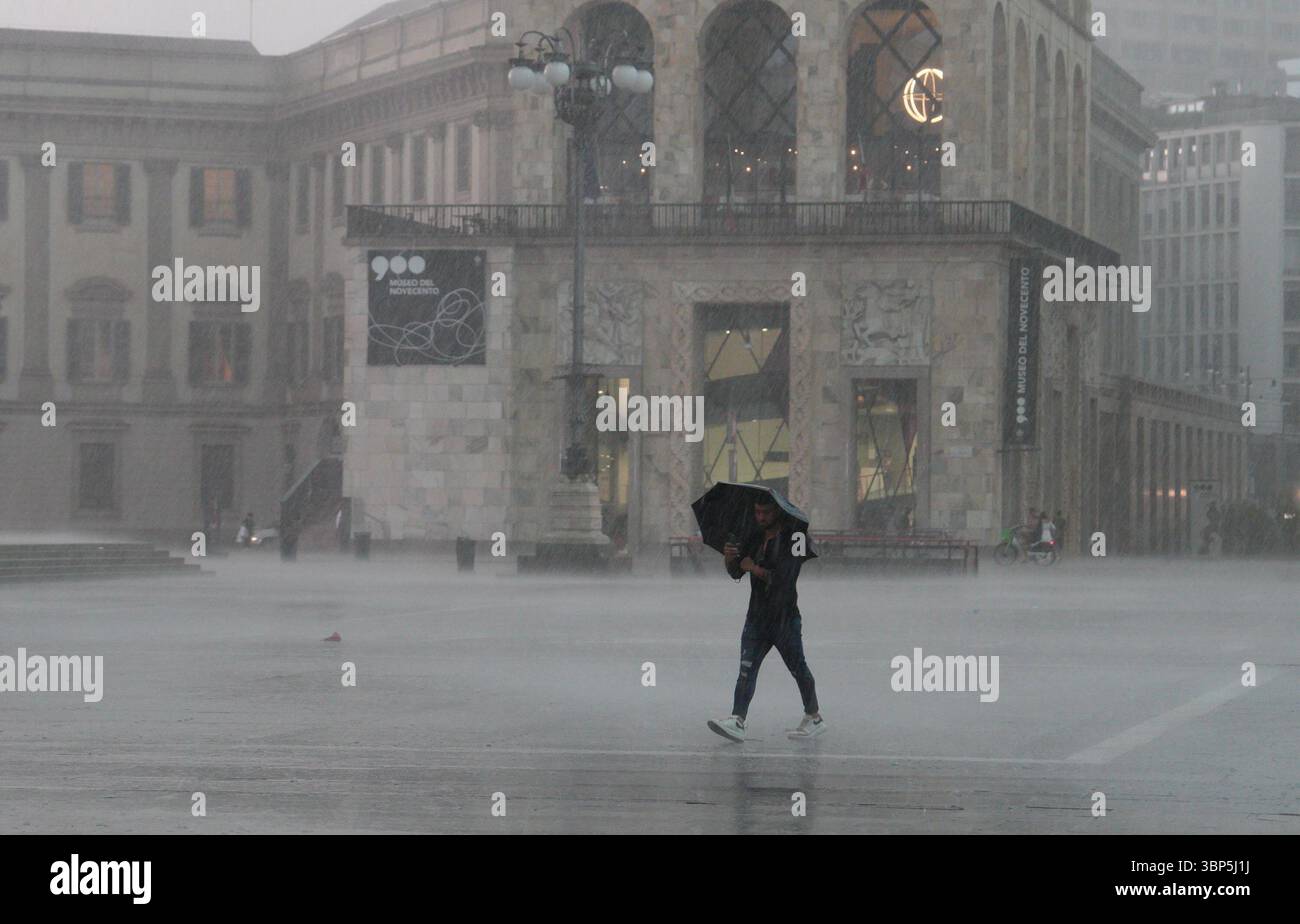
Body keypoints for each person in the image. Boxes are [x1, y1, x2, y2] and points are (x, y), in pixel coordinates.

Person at [709, 495, 824, 742]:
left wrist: (754, 568)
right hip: (757, 618)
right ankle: (737, 719)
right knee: (745, 670)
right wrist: (730, 558)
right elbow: (737, 571)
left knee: (798, 668)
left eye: (766, 513)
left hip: (784, 617)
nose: (760, 517)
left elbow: (785, 579)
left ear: (778, 513)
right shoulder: (754, 535)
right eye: (757, 512)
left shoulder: (795, 538)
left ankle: (813, 715)